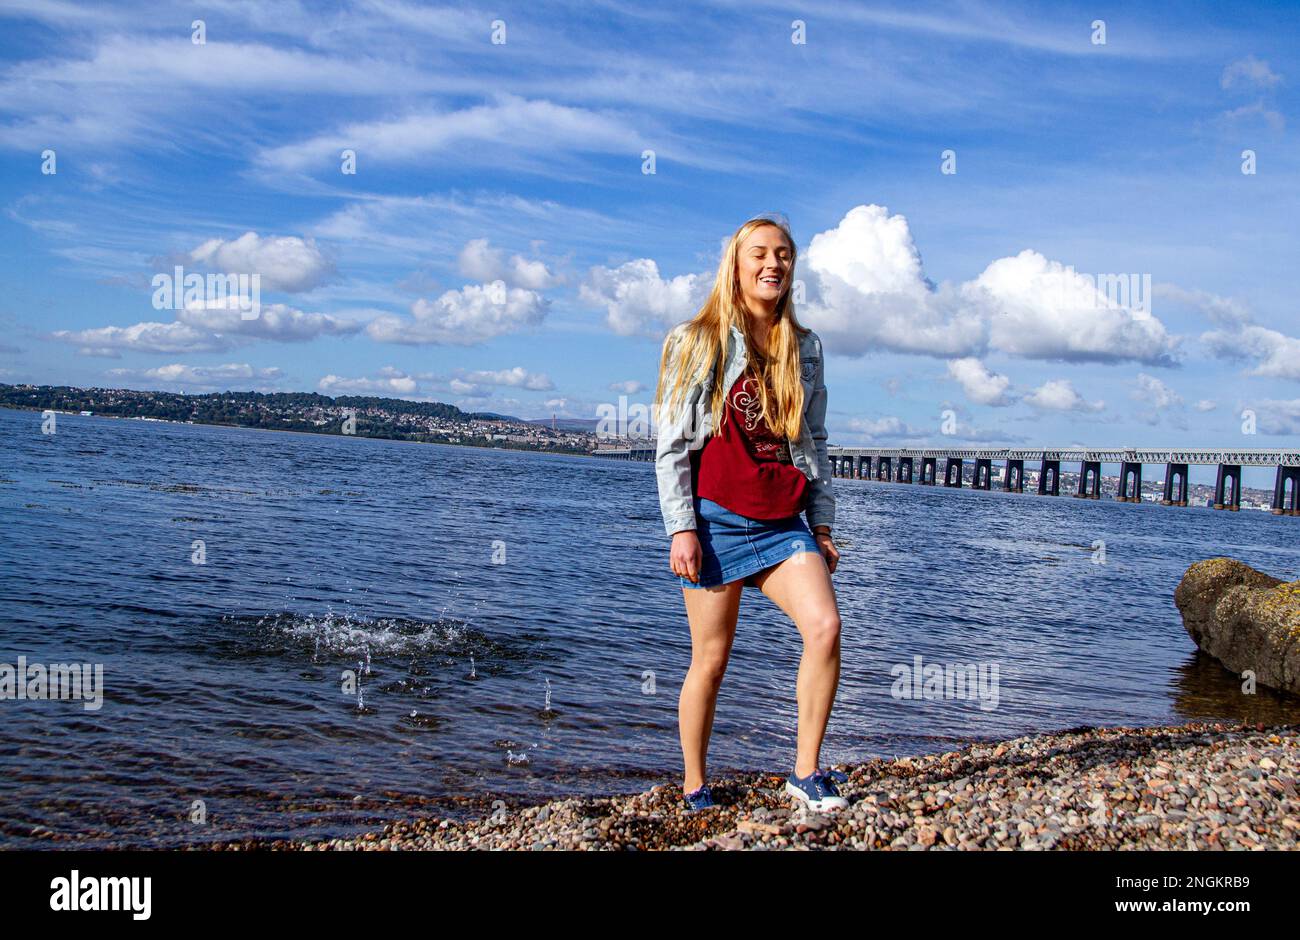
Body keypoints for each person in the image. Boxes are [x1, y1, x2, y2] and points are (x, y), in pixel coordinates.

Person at [654, 214, 847, 814]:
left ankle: (806, 772)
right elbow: (672, 443)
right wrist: (682, 527)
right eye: (760, 253)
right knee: (711, 659)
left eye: (784, 254)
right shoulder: (700, 339)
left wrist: (821, 525)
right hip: (717, 518)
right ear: (736, 265)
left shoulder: (805, 347)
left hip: (784, 519)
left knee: (825, 628)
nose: (773, 264)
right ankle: (694, 785)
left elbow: (813, 438)